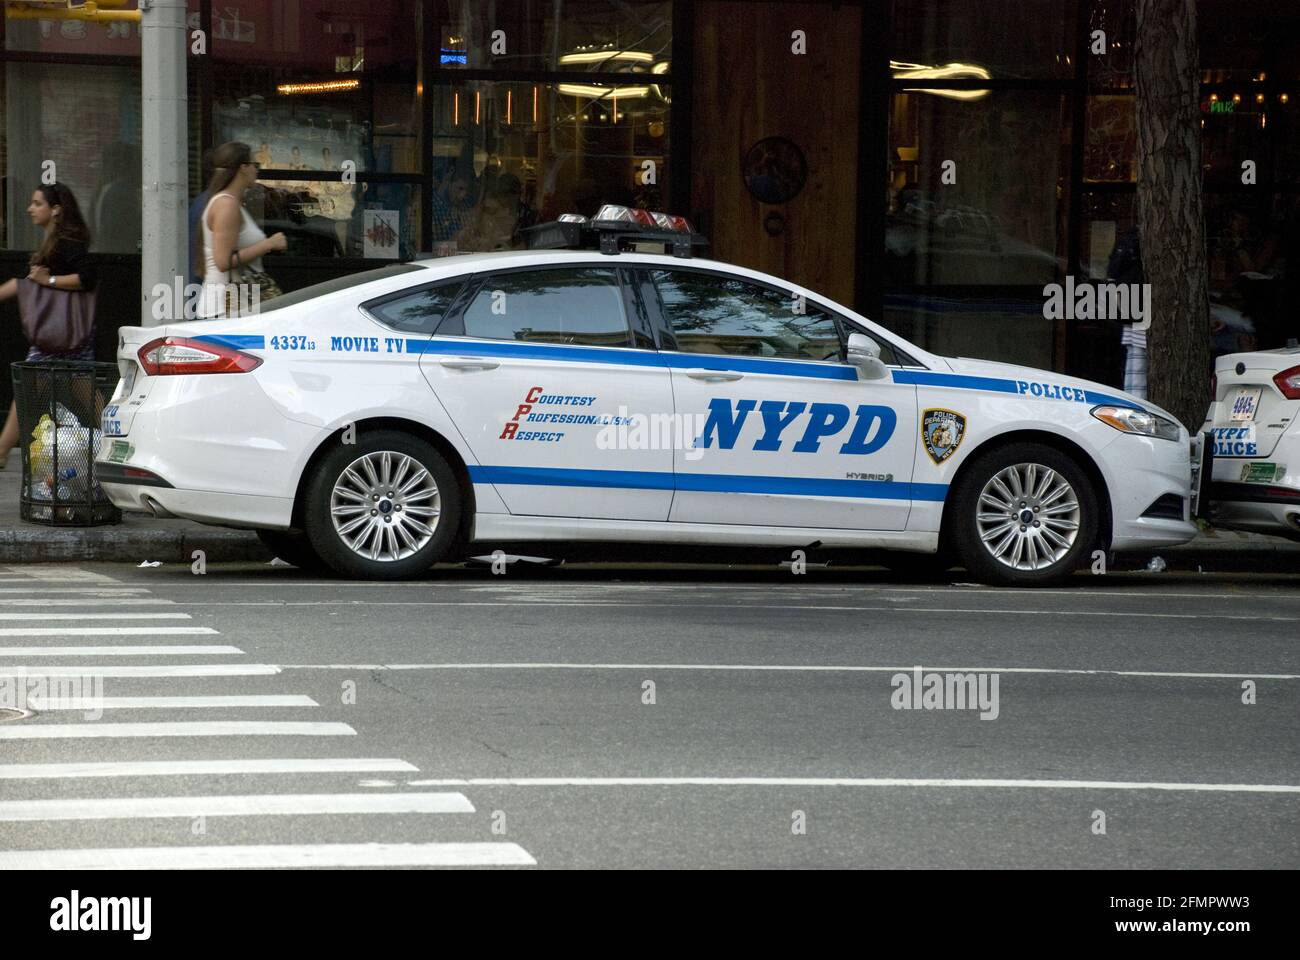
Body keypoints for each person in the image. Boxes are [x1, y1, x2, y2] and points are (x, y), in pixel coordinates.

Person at [0, 183, 97, 466]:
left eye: (37, 203)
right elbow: (25, 283)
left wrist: (49, 281)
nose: (30, 209)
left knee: (34, 386)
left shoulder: (66, 243)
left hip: (62, 333)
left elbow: (88, 278)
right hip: (65, 334)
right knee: (81, 389)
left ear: (56, 209)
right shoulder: (53, 242)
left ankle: (3, 450)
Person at [195, 141, 287, 319]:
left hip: (235, 305)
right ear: (242, 168)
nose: (257, 170)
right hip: (225, 309)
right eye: (255, 165)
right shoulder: (226, 205)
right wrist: (269, 244)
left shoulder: (228, 202)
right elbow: (223, 262)